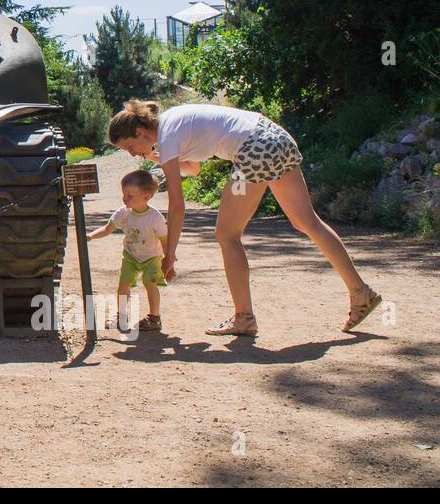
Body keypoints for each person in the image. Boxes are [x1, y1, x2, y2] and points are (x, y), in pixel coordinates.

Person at [106, 100, 382, 337]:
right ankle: (361, 293)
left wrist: (170, 254)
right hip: (275, 138)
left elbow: (177, 206)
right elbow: (195, 168)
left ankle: (244, 318)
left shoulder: (167, 135)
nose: (132, 154)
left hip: (252, 150)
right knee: (307, 222)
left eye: (130, 146)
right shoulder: (172, 123)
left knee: (227, 234)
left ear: (141, 131)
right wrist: (158, 154)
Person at [88, 169, 170, 333]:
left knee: (150, 283)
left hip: (152, 257)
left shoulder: (155, 217)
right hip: (130, 256)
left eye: (130, 196)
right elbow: (107, 228)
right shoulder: (123, 212)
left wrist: (168, 260)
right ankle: (121, 316)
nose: (125, 198)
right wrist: (90, 236)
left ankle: (154, 318)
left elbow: (164, 239)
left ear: (146, 197)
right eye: (124, 194)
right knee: (124, 284)